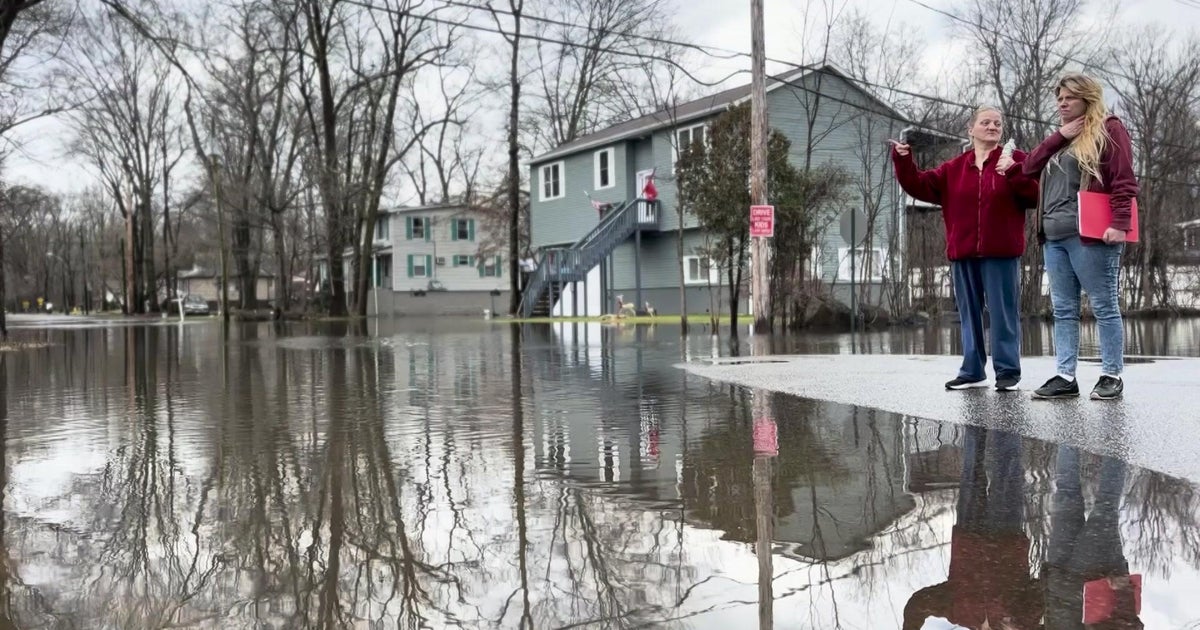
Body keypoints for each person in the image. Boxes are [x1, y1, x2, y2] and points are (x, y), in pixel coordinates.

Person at [891, 106, 1040, 391]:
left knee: (1003, 313)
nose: (993, 127)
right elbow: (918, 185)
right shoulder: (954, 168)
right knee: (969, 314)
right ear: (970, 130)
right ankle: (972, 371)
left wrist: (1013, 172)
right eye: (985, 122)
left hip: (1002, 252)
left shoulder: (1015, 160)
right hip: (963, 253)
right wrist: (904, 161)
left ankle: (1008, 371)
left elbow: (1034, 195)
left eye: (997, 123)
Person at [1020, 74, 1139, 401]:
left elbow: (1124, 180)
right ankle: (1065, 376)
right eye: (1059, 98)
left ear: (1087, 98)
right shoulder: (1061, 138)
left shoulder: (1109, 129)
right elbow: (1028, 168)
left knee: (1103, 305)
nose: (1062, 103)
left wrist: (1120, 223)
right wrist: (1058, 136)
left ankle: (1111, 374)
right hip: (1054, 237)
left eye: (1069, 98)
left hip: (1090, 235)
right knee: (1063, 309)